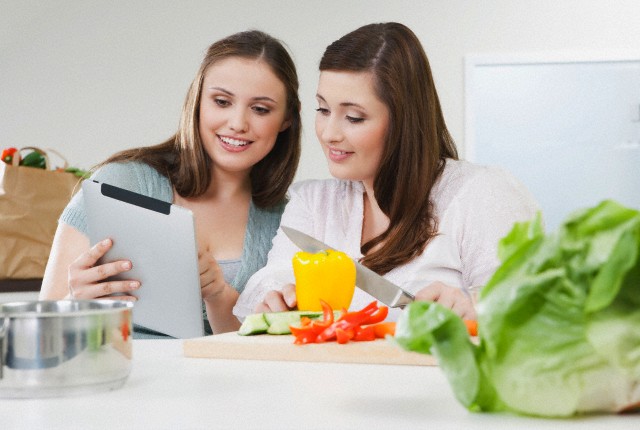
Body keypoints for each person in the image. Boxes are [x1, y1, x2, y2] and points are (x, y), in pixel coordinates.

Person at [233, 22, 539, 322]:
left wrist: (476, 312)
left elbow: (532, 312)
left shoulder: (480, 193)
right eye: (323, 110)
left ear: (402, 122)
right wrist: (275, 299)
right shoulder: (312, 203)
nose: (328, 133)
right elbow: (269, 281)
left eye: (354, 117)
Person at [40, 30, 301, 337]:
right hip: (118, 376)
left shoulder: (287, 222)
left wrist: (217, 292)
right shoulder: (121, 183)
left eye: (260, 109)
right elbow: (45, 331)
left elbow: (262, 350)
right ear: (198, 102)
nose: (238, 123)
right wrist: (75, 302)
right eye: (221, 101)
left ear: (286, 119)